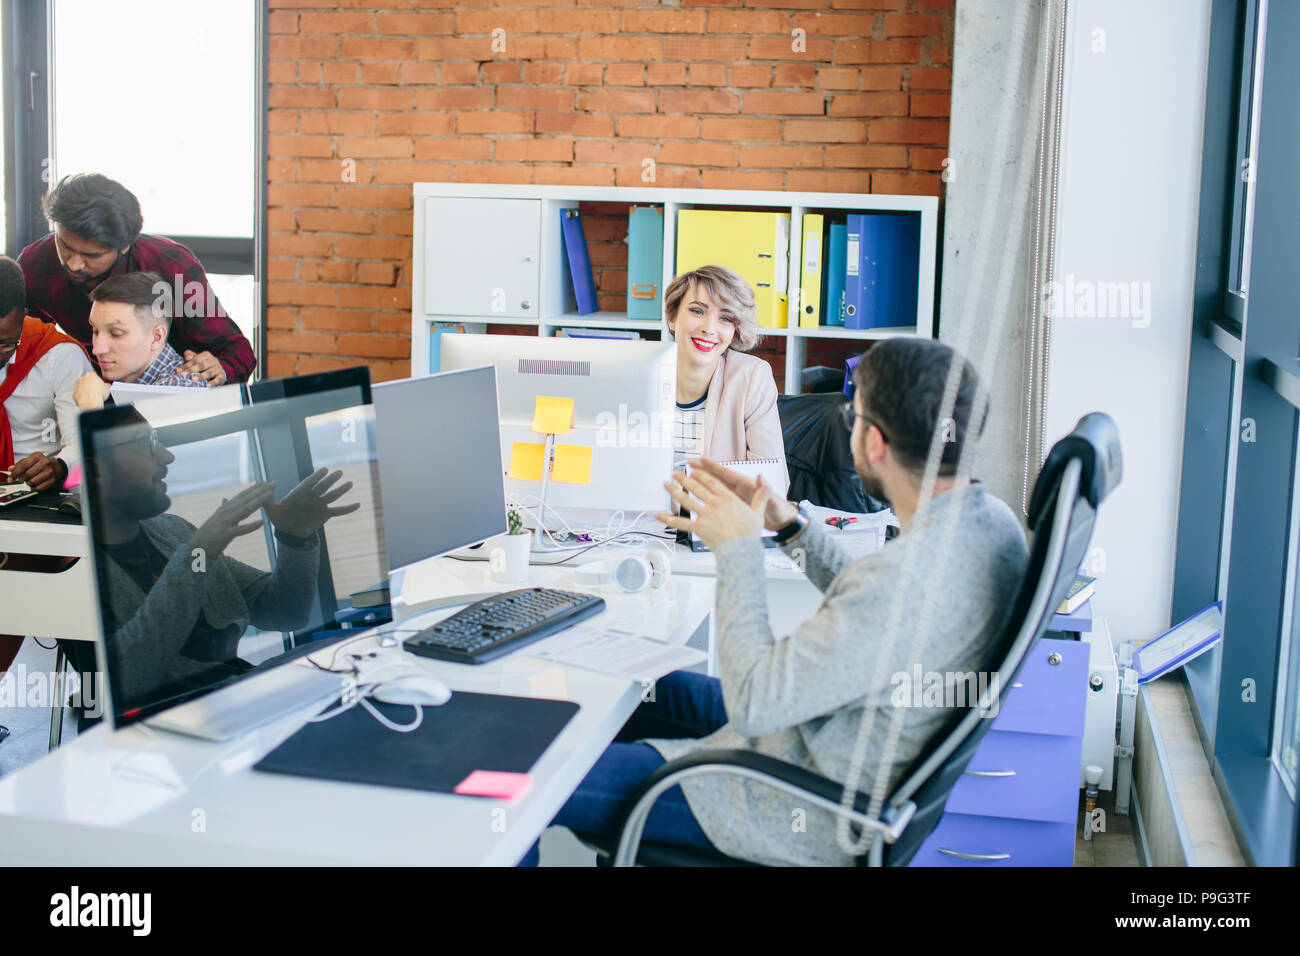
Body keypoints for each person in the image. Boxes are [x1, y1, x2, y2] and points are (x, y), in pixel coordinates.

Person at [521, 338, 1029, 867]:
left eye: (850, 415)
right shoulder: (988, 523)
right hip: (815, 743)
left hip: (779, 800)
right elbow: (878, 605)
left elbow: (755, 701)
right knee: (629, 683)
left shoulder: (907, 576)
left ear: (874, 442)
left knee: (517, 779)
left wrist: (736, 549)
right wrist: (790, 525)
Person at [18, 173, 255, 385]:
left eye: (92, 255)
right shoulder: (35, 263)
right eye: (65, 245)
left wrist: (222, 368)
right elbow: (20, 342)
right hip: (95, 391)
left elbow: (238, 352)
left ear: (124, 246)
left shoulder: (172, 267)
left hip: (172, 394)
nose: (73, 263)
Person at [0, 255, 91, 681]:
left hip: (35, 509)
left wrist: (57, 466)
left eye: (4, 343)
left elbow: (84, 444)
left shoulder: (60, 356)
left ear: (23, 314)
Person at [664, 265, 789, 496]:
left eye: (725, 318)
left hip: (717, 526)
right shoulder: (640, 373)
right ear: (672, 317)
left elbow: (772, 487)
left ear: (735, 329)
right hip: (637, 524)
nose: (709, 329)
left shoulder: (751, 377)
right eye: (698, 311)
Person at [72, 271, 207, 411]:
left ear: (156, 337)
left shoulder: (180, 391)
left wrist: (91, 406)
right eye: (95, 331)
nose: (97, 349)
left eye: (116, 333)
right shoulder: (127, 376)